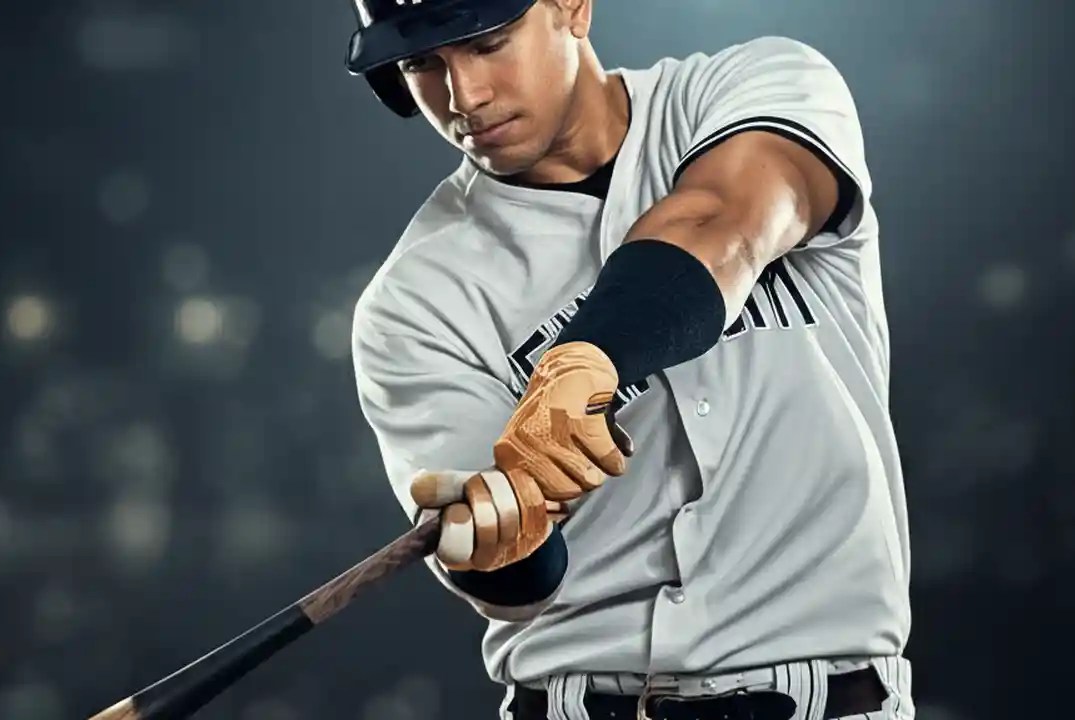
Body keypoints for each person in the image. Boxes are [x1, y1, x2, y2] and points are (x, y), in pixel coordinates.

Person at [346, 1, 913, 718]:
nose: (465, 97)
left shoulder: (755, 85)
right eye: (422, 64)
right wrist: (499, 541)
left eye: (488, 43)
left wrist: (585, 360)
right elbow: (517, 586)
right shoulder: (413, 300)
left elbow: (724, 219)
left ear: (571, 7)